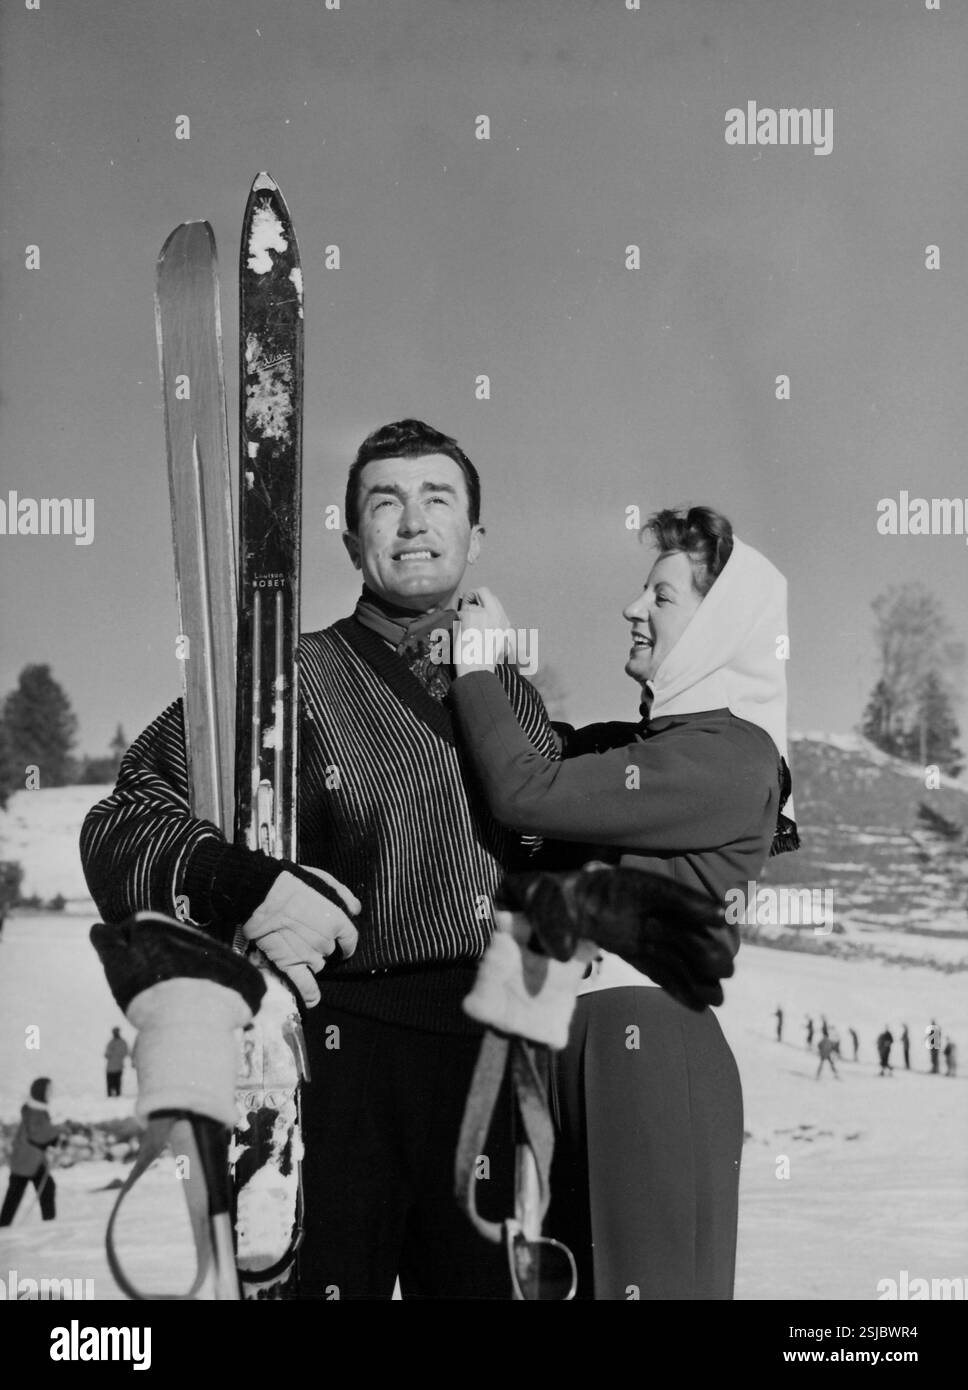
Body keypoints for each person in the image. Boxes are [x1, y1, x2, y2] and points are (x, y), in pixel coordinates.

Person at [81, 419, 573, 1301]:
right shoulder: (286, 679)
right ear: (350, 538)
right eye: (385, 503)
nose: (413, 523)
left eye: (438, 500)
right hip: (329, 1067)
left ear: (476, 535)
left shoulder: (515, 701)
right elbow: (120, 824)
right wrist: (246, 885)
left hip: (489, 1079)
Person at [450, 506, 797, 1299]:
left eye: (662, 597)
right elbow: (549, 755)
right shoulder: (649, 745)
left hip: (642, 1044)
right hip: (579, 1040)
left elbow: (525, 790)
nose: (632, 609)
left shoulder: (730, 755)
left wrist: (476, 668)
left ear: (722, 627)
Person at [0, 1078, 65, 1225]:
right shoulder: (35, 1112)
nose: (51, 1093)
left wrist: (54, 1135)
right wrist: (57, 1132)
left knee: (45, 1187)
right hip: (25, 1161)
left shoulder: (37, 1110)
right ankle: (4, 1224)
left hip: (30, 1160)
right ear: (41, 1092)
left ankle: (48, 1221)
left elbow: (42, 1135)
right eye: (49, 1090)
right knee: (16, 1194)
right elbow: (38, 1135)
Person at [104, 1027, 129, 1097]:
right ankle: (111, 1099)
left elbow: (126, 1052)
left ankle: (117, 1099)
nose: (115, 1034)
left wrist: (114, 1053)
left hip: (117, 1068)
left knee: (117, 1085)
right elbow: (106, 1055)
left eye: (116, 1032)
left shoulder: (122, 1042)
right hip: (110, 1068)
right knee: (111, 1085)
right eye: (114, 1032)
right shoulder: (111, 1043)